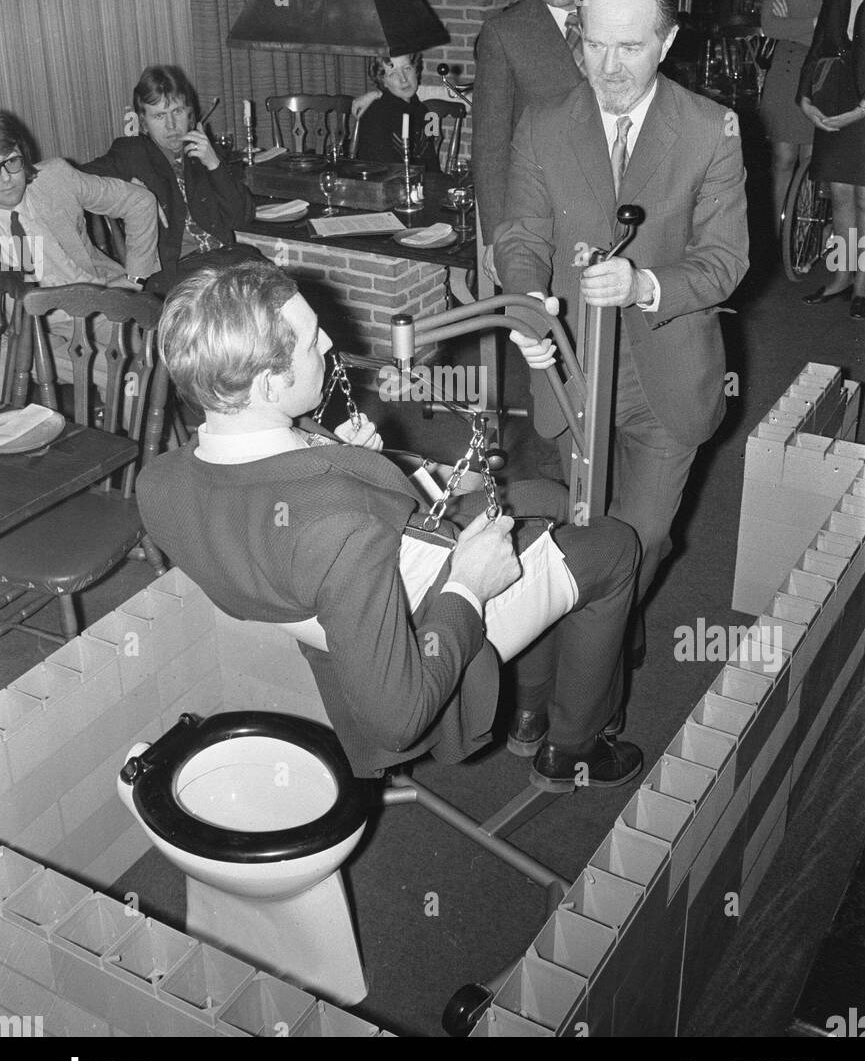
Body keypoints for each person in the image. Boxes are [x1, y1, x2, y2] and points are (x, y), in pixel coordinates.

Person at [137, 260, 643, 793]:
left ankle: (528, 709)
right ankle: (575, 747)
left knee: (547, 498)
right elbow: (398, 720)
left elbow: (264, 502)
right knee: (615, 547)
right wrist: (470, 585)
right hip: (425, 620)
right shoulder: (337, 523)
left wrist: (340, 455)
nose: (330, 342)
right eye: (312, 341)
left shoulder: (159, 484)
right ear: (266, 384)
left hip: (361, 584)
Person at [494, 0, 749, 645]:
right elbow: (521, 235)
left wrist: (645, 285)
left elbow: (726, 261)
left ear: (665, 43)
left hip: (666, 373)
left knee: (642, 541)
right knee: (570, 537)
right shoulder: (542, 124)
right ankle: (568, 669)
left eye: (629, 47)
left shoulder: (710, 129)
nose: (606, 67)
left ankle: (591, 686)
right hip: (568, 364)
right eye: (593, 44)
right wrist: (526, 305)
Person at [472, 0, 600, 245]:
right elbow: (490, 148)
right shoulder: (505, 32)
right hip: (541, 222)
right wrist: (497, 238)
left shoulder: (617, 17)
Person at [0, 110, 159, 385]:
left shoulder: (55, 178)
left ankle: (126, 386)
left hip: (96, 302)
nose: (5, 179)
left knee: (129, 370)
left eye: (11, 162)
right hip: (29, 329)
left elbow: (139, 202)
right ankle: (117, 378)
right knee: (11, 354)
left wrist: (135, 278)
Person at [80, 65, 256, 295]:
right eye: (159, 116)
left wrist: (215, 165)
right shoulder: (132, 153)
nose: (171, 125)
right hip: (174, 275)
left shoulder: (204, 152)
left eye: (178, 112)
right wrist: (122, 191)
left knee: (276, 287)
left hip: (224, 261)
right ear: (143, 121)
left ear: (191, 115)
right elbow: (73, 180)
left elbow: (240, 217)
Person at [758, 0, 847, 235]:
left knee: (812, 161)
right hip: (786, 69)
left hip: (823, 72)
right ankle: (779, 233)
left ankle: (804, 237)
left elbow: (840, 31)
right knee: (783, 158)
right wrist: (814, 21)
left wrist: (797, 22)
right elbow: (769, 26)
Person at [798, 0, 865, 318]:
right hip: (837, 100)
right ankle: (842, 276)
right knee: (841, 193)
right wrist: (805, 96)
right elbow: (821, 43)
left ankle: (864, 284)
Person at [354, 54, 441, 171]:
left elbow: (432, 163)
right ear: (383, 81)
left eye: (407, 68)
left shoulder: (423, 111)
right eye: (392, 73)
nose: (403, 79)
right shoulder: (377, 114)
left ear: (416, 70)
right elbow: (386, 169)